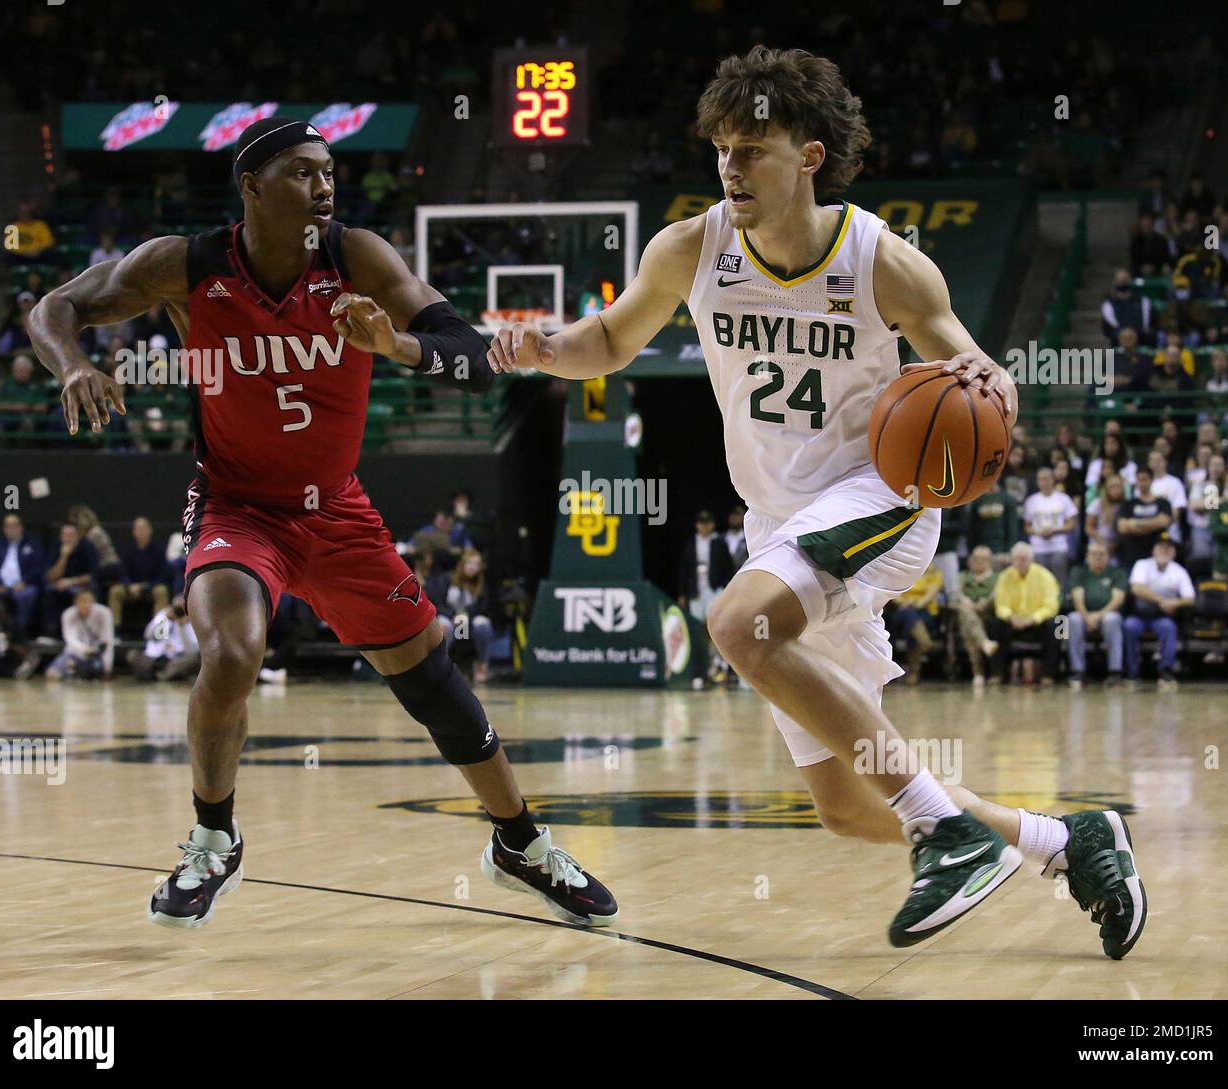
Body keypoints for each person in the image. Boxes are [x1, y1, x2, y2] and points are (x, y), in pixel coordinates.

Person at [486, 46, 1143, 957]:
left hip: (883, 493)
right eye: (721, 145)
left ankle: (943, 833)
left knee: (738, 623)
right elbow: (609, 338)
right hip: (781, 520)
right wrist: (533, 348)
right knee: (841, 801)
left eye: (753, 145)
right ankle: (1065, 841)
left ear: (810, 156)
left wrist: (988, 401)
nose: (730, 164)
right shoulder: (691, 247)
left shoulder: (883, 262)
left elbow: (978, 367)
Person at [29, 117, 618, 930]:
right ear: (253, 188)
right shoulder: (187, 264)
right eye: (303, 172)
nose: (324, 185)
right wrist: (77, 363)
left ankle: (518, 838)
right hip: (238, 504)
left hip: (335, 508)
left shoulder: (357, 257)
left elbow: (474, 356)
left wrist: (396, 344)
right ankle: (213, 835)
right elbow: (55, 306)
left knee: (432, 681)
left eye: (329, 171)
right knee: (232, 650)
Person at [988, 542, 1062, 687]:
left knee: (1059, 625)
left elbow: (1052, 605)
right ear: (1012, 560)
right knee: (994, 624)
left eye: (1024, 558)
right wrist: (1011, 617)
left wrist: (1033, 619)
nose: (1020, 562)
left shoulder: (1044, 576)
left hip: (1038, 623)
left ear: (1031, 559)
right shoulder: (1005, 577)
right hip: (1013, 623)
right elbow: (1000, 604)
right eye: (1017, 559)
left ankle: (1048, 674)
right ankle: (997, 674)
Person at [1124, 538, 1195, 688]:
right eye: (1161, 547)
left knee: (1168, 628)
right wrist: (1161, 600)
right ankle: (1132, 672)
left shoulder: (1179, 571)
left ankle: (1166, 671)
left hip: (1162, 617)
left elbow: (1190, 598)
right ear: (1153, 550)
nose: (1164, 550)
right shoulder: (1142, 564)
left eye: (1168, 548)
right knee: (1129, 626)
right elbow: (1136, 588)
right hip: (1140, 615)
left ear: (1174, 553)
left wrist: (1175, 602)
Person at [678, 509, 735, 687]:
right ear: (697, 525)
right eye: (701, 523)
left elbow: (729, 568)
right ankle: (700, 672)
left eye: (708, 523)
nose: (704, 526)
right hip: (696, 592)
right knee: (698, 631)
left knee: (715, 629)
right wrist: (683, 594)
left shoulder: (719, 543)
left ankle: (719, 669)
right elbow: (684, 570)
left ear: (713, 524)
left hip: (714, 590)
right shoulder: (690, 543)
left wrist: (725, 590)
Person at [1065, 540, 1127, 688]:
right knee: (1070, 619)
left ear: (1108, 556)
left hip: (1107, 614)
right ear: (1087, 556)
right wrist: (1087, 617)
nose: (1098, 557)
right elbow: (1077, 597)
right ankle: (1077, 671)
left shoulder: (1117, 573)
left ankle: (1115, 671)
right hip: (1084, 614)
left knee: (1112, 620)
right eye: (1094, 554)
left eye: (1102, 554)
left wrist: (1098, 616)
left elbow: (1118, 599)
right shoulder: (1078, 571)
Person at [437, 549, 496, 685]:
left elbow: (483, 607)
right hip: (448, 615)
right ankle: (439, 664)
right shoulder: (447, 579)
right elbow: (438, 602)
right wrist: (453, 615)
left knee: (481, 624)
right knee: (445, 624)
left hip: (469, 618)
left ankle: (480, 664)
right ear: (462, 564)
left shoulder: (481, 584)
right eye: (470, 563)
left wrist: (465, 614)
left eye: (476, 564)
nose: (473, 567)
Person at [885, 561, 942, 686]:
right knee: (909, 615)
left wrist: (914, 602)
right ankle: (916, 666)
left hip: (924, 611)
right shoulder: (899, 569)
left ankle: (911, 670)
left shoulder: (933, 573)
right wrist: (904, 602)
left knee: (911, 623)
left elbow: (930, 595)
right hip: (900, 611)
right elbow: (892, 591)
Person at [109, 516, 172, 627]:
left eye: (144, 528)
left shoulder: (158, 550)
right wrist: (129, 585)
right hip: (130, 588)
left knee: (162, 591)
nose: (141, 532)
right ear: (134, 532)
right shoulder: (127, 549)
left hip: (151, 587)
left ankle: (160, 632)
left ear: (150, 530)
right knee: (115, 591)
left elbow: (163, 575)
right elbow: (122, 572)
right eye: (138, 529)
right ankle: (115, 630)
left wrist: (145, 586)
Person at [951, 545, 1000, 687]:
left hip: (988, 615)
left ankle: (978, 673)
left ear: (990, 561)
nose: (978, 561)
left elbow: (996, 595)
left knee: (968, 625)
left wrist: (985, 603)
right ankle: (984, 643)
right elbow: (957, 594)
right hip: (966, 614)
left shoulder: (997, 578)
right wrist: (968, 604)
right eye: (975, 558)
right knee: (965, 613)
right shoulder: (963, 576)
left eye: (983, 559)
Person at [46, 586, 115, 680]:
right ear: (76, 602)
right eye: (82, 601)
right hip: (75, 652)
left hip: (97, 654)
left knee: (96, 669)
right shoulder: (68, 614)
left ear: (94, 601)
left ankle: (75, 671)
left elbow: (107, 640)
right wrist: (85, 649)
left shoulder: (104, 613)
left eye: (89, 601)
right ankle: (70, 669)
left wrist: (107, 667)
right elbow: (69, 638)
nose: (86, 604)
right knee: (52, 673)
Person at [1023, 465, 1077, 582]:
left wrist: (1054, 531)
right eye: (1040, 479)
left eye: (1046, 478)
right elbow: (1027, 526)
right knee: (1039, 582)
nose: (1043, 482)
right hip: (1038, 548)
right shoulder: (1031, 501)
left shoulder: (1063, 499)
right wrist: (1038, 531)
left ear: (1053, 479)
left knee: (1059, 581)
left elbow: (1071, 524)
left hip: (1059, 547)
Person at [130, 596, 200, 681]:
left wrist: (183, 626)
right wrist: (166, 619)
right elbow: (148, 635)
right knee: (132, 655)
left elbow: (191, 650)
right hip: (154, 657)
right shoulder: (163, 615)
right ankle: (161, 674)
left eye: (182, 609)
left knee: (192, 660)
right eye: (176, 609)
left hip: (176, 659)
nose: (179, 612)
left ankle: (160, 675)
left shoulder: (191, 620)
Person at [1115, 467, 1173, 568]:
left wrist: (1134, 523)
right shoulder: (1129, 504)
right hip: (1132, 555)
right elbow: (1122, 527)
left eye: (1144, 479)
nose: (1141, 483)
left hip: (1157, 555)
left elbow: (1163, 522)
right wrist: (1152, 524)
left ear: (1151, 480)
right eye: (1139, 480)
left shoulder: (1163, 503)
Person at [965, 475, 1019, 566]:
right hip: (981, 550)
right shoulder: (977, 500)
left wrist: (1008, 550)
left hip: (1001, 549)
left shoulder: (1007, 498)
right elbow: (972, 528)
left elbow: (1012, 527)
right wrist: (972, 551)